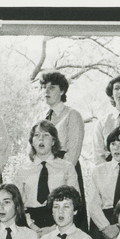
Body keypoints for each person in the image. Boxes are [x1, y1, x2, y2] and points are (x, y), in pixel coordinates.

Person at [36, 71, 87, 221]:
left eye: (52, 87)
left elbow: (73, 152)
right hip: (42, 173)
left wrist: (59, 176)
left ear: (62, 90)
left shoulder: (72, 115)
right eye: (44, 87)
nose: (46, 91)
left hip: (65, 172)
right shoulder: (40, 117)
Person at [15, 120, 77, 229]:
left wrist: (53, 228)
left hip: (60, 223)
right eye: (37, 135)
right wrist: (31, 225)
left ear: (53, 141)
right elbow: (17, 203)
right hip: (30, 224)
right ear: (32, 141)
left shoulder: (67, 167)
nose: (41, 139)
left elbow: (75, 202)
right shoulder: (22, 170)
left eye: (46, 135)